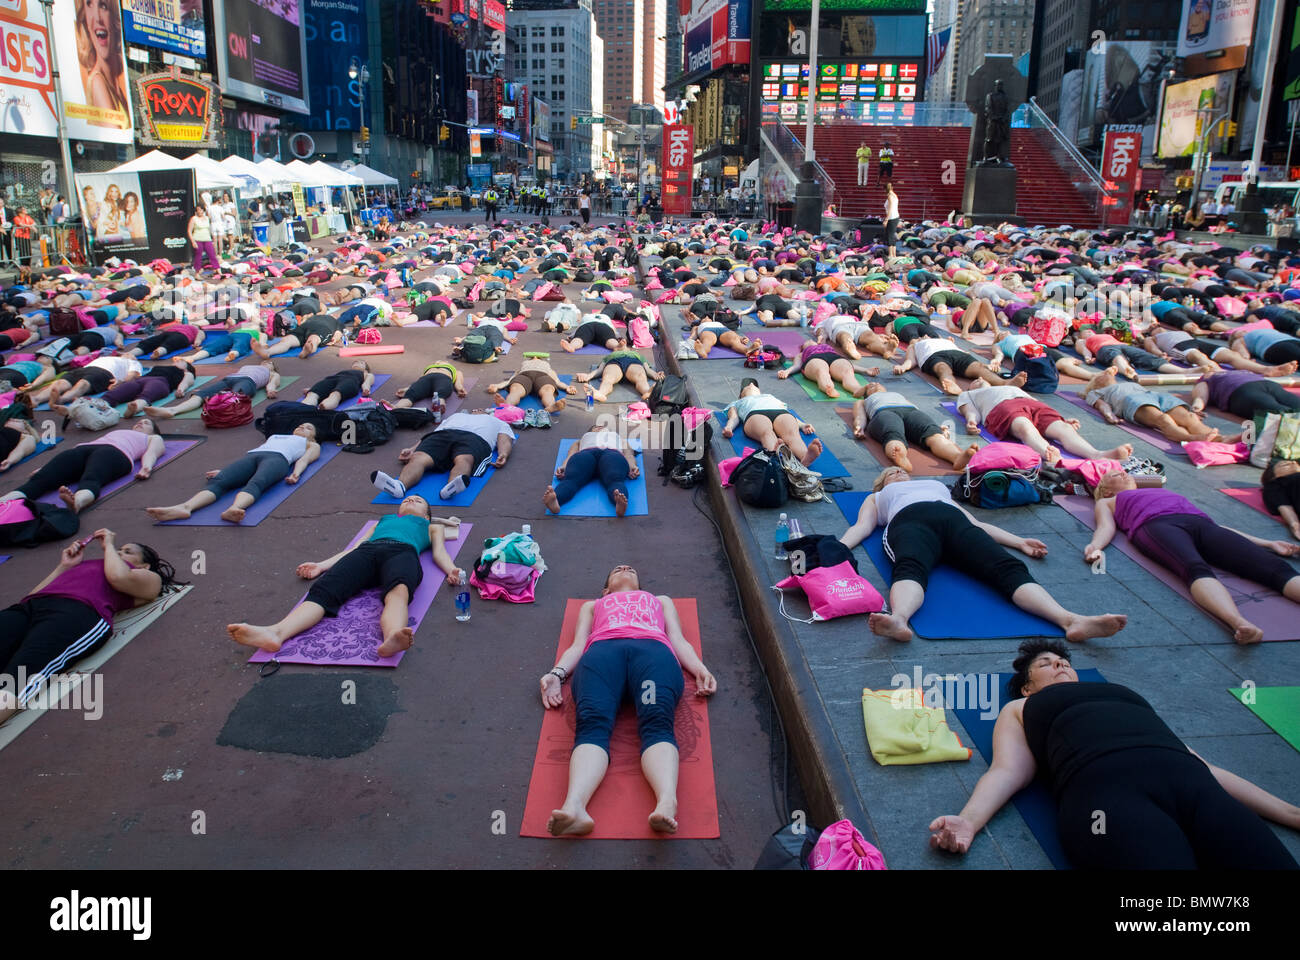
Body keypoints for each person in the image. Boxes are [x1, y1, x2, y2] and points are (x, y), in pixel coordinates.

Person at [928, 639, 1300, 868]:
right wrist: (969, 821)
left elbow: (1203, 764)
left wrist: (1290, 813)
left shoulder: (1121, 693)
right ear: (1026, 687)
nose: (1060, 664)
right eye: (1045, 664)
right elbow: (1009, 771)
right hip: (1107, 794)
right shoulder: (1021, 709)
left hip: (1191, 781)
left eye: (1064, 662)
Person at [839, 468, 1128, 643]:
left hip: (953, 520)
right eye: (891, 473)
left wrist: (1019, 542)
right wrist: (839, 550)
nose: (899, 473)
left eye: (901, 470)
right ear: (882, 483)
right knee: (911, 565)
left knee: (1007, 566)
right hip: (910, 521)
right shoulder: (877, 497)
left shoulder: (937, 487)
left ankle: (1070, 620)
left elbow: (975, 523)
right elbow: (863, 526)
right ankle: (899, 619)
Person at [538, 565, 717, 835]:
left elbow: (677, 640)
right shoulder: (594, 605)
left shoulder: (660, 601)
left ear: (641, 587)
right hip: (603, 656)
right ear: (606, 589)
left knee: (656, 720)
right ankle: (574, 807)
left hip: (651, 656)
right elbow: (577, 645)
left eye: (630, 568)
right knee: (592, 723)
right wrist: (557, 673)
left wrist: (700, 669)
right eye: (616, 569)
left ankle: (666, 801)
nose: (624, 568)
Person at [227, 500, 465, 658]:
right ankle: (275, 633)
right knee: (323, 591)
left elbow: (439, 552)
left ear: (426, 513)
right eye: (407, 498)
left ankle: (393, 636)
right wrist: (320, 565)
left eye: (419, 500)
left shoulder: (431, 526)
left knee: (398, 592)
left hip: (402, 552)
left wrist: (451, 570)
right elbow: (355, 547)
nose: (411, 500)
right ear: (399, 509)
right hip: (367, 552)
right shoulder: (384, 520)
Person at [1086, 471, 1300, 644]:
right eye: (1113, 474)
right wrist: (1096, 546)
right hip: (1156, 525)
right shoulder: (1108, 501)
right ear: (1105, 490)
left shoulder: (1159, 490)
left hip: (1200, 524)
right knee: (1194, 568)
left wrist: (1268, 543)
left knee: (1272, 566)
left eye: (1123, 471)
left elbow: (1219, 528)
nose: (1122, 473)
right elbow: (1106, 526)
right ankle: (1239, 623)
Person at [0, 528, 180, 725]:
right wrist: (64, 566)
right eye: (119, 549)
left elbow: (119, 578)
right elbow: (32, 595)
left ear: (145, 565)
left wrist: (109, 546)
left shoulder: (147, 577)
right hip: (31, 607)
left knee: (21, 674)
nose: (119, 553)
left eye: (127, 552)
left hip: (78, 612)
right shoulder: (89, 565)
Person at [147, 424, 320, 524]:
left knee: (257, 482)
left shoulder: (310, 444)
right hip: (252, 456)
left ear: (312, 436)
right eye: (301, 425)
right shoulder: (275, 436)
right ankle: (185, 507)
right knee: (220, 480)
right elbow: (260, 450)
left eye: (308, 428)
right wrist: (225, 470)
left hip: (278, 460)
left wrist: (296, 474)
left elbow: (304, 459)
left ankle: (235, 508)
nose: (302, 427)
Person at [0, 420, 165, 513]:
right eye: (140, 421)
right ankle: (3, 502)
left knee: (92, 478)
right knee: (40, 479)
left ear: (153, 431)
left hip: (115, 453)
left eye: (147, 423)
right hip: (83, 449)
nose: (141, 422)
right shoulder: (121, 431)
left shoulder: (153, 438)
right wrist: (45, 468)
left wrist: (146, 467)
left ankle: (77, 502)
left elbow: (153, 452)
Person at [956, 380, 1133, 464]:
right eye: (974, 381)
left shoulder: (1010, 387)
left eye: (981, 378)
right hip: (1002, 407)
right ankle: (1049, 454)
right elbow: (969, 410)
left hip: (1032, 404)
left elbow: (1036, 404)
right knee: (1025, 426)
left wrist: (1064, 419)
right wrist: (972, 421)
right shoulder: (969, 394)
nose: (979, 379)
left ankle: (1097, 454)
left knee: (1063, 428)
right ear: (970, 387)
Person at [370, 409, 514, 501]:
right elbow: (433, 433)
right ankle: (399, 487)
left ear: (488, 413)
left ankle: (450, 488)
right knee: (419, 457)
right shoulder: (456, 415)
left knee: (464, 459)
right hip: (444, 434)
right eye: (474, 409)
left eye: (481, 409)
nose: (476, 409)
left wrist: (503, 454)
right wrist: (413, 449)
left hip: (475, 438)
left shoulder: (497, 421)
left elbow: (505, 439)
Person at [852, 383, 980, 472]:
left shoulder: (897, 395)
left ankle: (957, 457)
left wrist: (938, 428)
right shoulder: (863, 401)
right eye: (869, 386)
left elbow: (919, 413)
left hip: (910, 411)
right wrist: (859, 426)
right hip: (883, 412)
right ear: (865, 393)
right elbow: (860, 416)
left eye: (877, 383)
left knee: (933, 434)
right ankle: (899, 455)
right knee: (892, 433)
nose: (873, 384)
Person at [1081, 368, 1231, 443]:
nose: (1104, 374)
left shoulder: (1123, 383)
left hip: (1153, 395)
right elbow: (1101, 405)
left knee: (1189, 417)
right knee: (1163, 419)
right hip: (1131, 401)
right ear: (1094, 384)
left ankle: (1219, 438)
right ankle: (1192, 438)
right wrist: (1109, 415)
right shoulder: (1095, 392)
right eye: (1099, 375)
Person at [721, 379, 823, 467]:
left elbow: (786, 411)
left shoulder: (770, 396)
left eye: (754, 384)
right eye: (747, 386)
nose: (751, 384)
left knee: (792, 434)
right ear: (741, 394)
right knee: (766, 433)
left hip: (780, 412)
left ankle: (805, 456)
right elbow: (734, 417)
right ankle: (774, 456)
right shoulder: (737, 403)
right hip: (754, 414)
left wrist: (802, 425)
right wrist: (729, 427)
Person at [542, 429, 640, 517]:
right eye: (596, 427)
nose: (600, 427)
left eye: (603, 427)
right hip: (586, 454)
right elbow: (571, 453)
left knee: (614, 478)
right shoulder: (583, 438)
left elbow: (629, 454)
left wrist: (632, 465)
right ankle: (555, 501)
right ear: (591, 430)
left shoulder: (618, 438)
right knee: (572, 478)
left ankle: (619, 503)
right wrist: (564, 465)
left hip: (611, 453)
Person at [145, 359, 280, 419]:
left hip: (249, 381)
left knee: (234, 397)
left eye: (270, 363)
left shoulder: (272, 373)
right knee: (200, 395)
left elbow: (273, 383)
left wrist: (270, 390)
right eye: (265, 361)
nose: (266, 362)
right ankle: (173, 410)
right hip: (229, 378)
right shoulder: (248, 366)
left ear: (273, 367)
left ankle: (218, 413)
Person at [894, 334, 1022, 395]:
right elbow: (911, 360)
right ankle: (951, 384)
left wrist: (985, 366)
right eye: (919, 337)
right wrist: (903, 367)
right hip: (933, 356)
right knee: (942, 368)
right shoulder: (915, 345)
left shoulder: (943, 339)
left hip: (956, 353)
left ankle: (1004, 383)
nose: (923, 336)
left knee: (978, 367)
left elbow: (963, 351)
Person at [75, 0, 130, 124]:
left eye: (103, 6)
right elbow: (115, 138)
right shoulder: (97, 82)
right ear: (85, 19)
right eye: (89, 5)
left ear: (114, 18)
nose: (98, 18)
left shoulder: (115, 85)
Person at [778, 339, 877, 400]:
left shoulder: (825, 346)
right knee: (821, 371)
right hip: (814, 359)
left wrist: (866, 370)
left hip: (833, 357)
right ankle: (828, 388)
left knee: (847, 372)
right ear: (803, 347)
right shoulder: (802, 354)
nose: (809, 340)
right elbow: (797, 366)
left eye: (811, 340)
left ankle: (857, 389)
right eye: (806, 342)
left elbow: (849, 365)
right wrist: (787, 372)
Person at [1190, 369, 1300, 420]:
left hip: (1269, 385)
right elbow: (1200, 396)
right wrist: (1197, 407)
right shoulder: (1206, 379)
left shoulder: (1237, 371)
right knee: (1283, 414)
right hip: (1241, 392)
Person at [486, 356, 576, 413]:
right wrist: (497, 386)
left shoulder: (547, 367)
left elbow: (557, 381)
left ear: (542, 360)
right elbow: (510, 380)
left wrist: (567, 387)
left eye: (538, 358)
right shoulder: (523, 366)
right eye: (532, 357)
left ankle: (551, 406)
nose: (535, 358)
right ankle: (507, 405)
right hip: (525, 375)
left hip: (542, 375)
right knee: (516, 389)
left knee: (548, 389)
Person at [574, 348, 666, 402]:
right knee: (607, 378)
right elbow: (600, 369)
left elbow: (647, 369)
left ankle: (647, 392)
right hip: (614, 362)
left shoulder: (637, 355)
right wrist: (588, 376)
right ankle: (601, 393)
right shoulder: (610, 355)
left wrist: (656, 375)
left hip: (633, 362)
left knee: (641, 377)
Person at [301, 360, 374, 410]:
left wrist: (366, 389)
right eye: (355, 362)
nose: (357, 363)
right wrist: (312, 389)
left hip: (351, 381)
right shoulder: (344, 371)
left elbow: (367, 382)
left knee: (336, 393)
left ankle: (325, 406)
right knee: (313, 393)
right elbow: (325, 384)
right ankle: (303, 407)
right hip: (332, 379)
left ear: (366, 369)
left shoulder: (366, 373)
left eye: (361, 363)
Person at [392, 361, 467, 409]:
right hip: (426, 379)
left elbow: (459, 380)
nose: (439, 361)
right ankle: (396, 407)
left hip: (443, 378)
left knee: (441, 393)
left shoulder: (455, 371)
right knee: (411, 393)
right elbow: (418, 382)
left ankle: (439, 406)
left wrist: (460, 388)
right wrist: (407, 389)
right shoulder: (428, 369)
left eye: (443, 361)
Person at [1262, 458, 1300, 541]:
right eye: (1285, 464)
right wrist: (1295, 526)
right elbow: (1284, 506)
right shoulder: (1274, 485)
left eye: (1294, 462)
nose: (1294, 462)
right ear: (1274, 475)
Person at [188, 206, 218, 272]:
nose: (200, 211)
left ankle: (218, 270)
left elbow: (209, 229)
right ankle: (197, 272)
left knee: (212, 255)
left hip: (207, 239)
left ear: (203, 210)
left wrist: (212, 239)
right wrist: (193, 242)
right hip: (197, 239)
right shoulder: (194, 219)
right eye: (198, 210)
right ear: (196, 211)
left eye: (201, 210)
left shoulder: (207, 218)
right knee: (198, 257)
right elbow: (189, 231)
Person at [883, 183, 900, 259]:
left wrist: (886, 219)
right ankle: (893, 254)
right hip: (895, 217)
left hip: (892, 218)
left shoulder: (890, 196)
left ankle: (891, 254)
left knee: (889, 236)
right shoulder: (894, 195)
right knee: (892, 235)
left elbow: (890, 208)